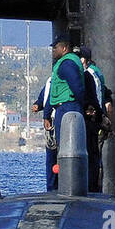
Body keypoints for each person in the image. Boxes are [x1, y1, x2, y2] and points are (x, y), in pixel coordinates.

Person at [44, 34, 87, 188]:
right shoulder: (64, 64)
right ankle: (62, 186)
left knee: (67, 150)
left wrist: (84, 106)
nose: (53, 51)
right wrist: (46, 114)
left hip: (68, 109)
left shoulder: (67, 64)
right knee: (61, 150)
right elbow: (53, 92)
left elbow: (77, 87)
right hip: (63, 107)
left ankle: (67, 186)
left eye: (55, 48)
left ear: (64, 48)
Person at [78, 44, 113, 191]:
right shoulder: (97, 74)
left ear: (84, 59)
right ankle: (94, 187)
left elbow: (95, 100)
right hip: (97, 120)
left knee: (92, 155)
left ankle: (92, 186)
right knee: (94, 156)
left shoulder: (88, 75)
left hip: (91, 121)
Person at [31, 72, 56, 190]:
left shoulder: (63, 79)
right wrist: (38, 104)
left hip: (58, 121)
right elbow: (44, 97)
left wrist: (46, 115)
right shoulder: (50, 80)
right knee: (52, 158)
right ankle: (52, 188)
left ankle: (58, 186)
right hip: (51, 126)